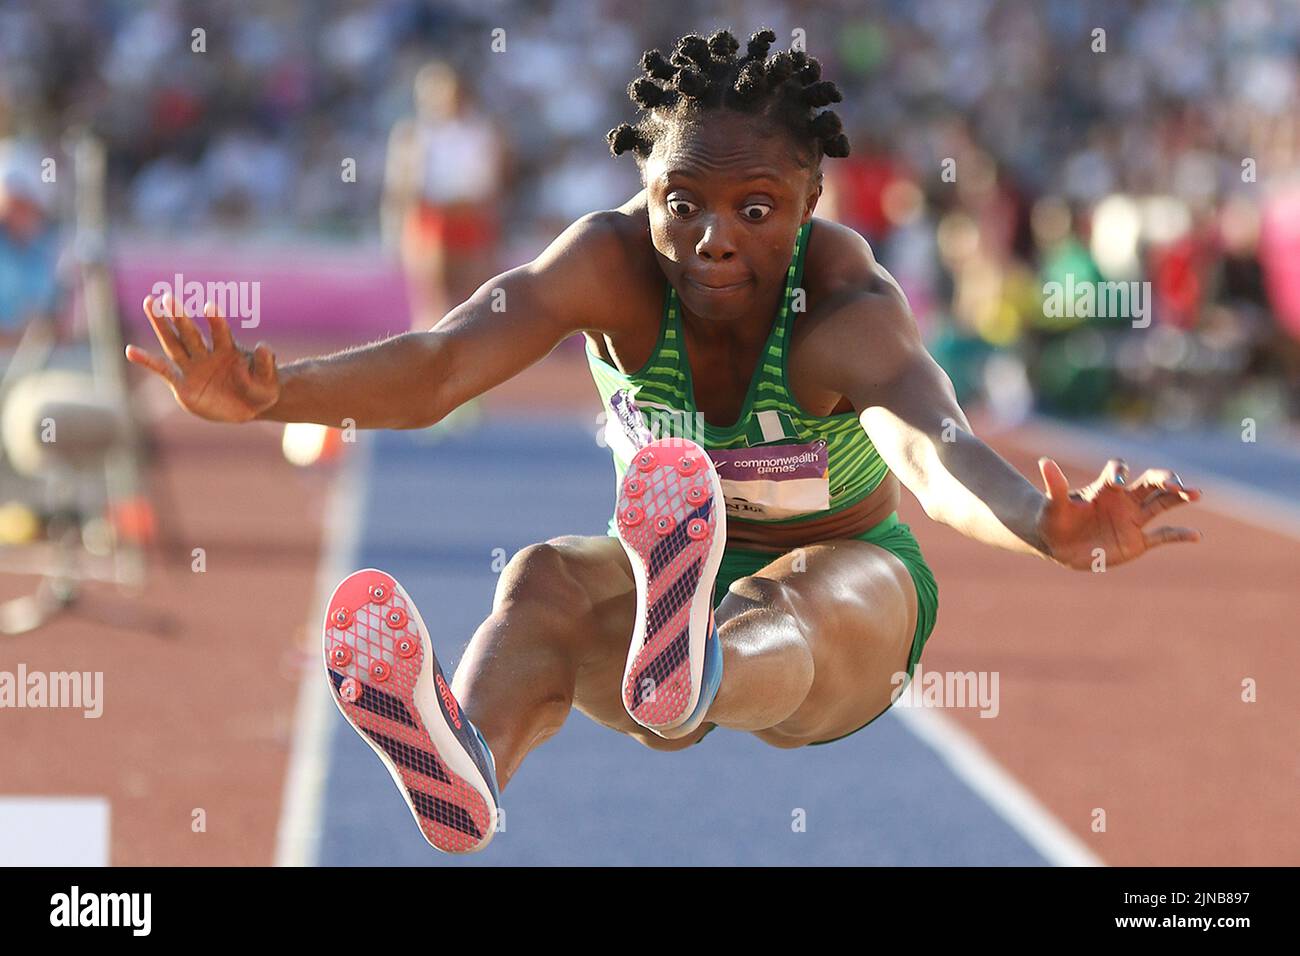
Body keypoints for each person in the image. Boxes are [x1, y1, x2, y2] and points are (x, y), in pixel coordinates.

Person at [126, 29, 1202, 854]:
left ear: (810, 203)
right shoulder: (605, 265)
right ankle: (467, 762)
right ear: (643, 190)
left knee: (807, 593)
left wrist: (1039, 523)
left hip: (841, 613)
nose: (712, 239)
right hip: (664, 576)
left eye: (756, 208)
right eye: (680, 203)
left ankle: (699, 657)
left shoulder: (845, 306)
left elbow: (932, 452)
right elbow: (445, 361)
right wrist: (272, 397)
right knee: (545, 579)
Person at [383, 61, 506, 330]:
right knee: (435, 299)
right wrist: (396, 226)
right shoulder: (414, 134)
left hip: (470, 216)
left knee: (474, 297)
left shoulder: (481, 131)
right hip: (432, 217)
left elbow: (492, 181)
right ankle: (430, 348)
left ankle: (468, 350)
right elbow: (401, 186)